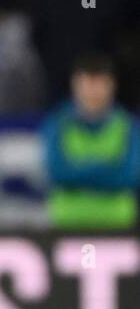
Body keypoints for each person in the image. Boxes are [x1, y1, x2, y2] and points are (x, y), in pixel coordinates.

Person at [41, 53, 140, 229]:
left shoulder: (129, 126)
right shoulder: (57, 123)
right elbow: (56, 172)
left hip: (118, 226)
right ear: (75, 84)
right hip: (67, 225)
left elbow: (131, 176)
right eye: (87, 83)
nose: (93, 91)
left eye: (100, 83)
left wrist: (79, 170)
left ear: (112, 85)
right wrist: (106, 169)